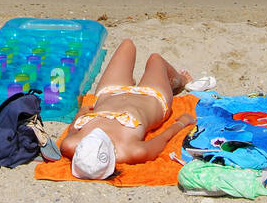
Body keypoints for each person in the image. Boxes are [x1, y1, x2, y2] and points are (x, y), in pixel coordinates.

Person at [58, 39, 195, 179]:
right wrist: (182, 123)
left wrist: (80, 115)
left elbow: (73, 129)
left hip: (111, 92)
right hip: (151, 97)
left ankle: (130, 83)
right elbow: (163, 139)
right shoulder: (131, 151)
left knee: (127, 45)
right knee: (155, 59)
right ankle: (181, 81)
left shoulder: (69, 145)